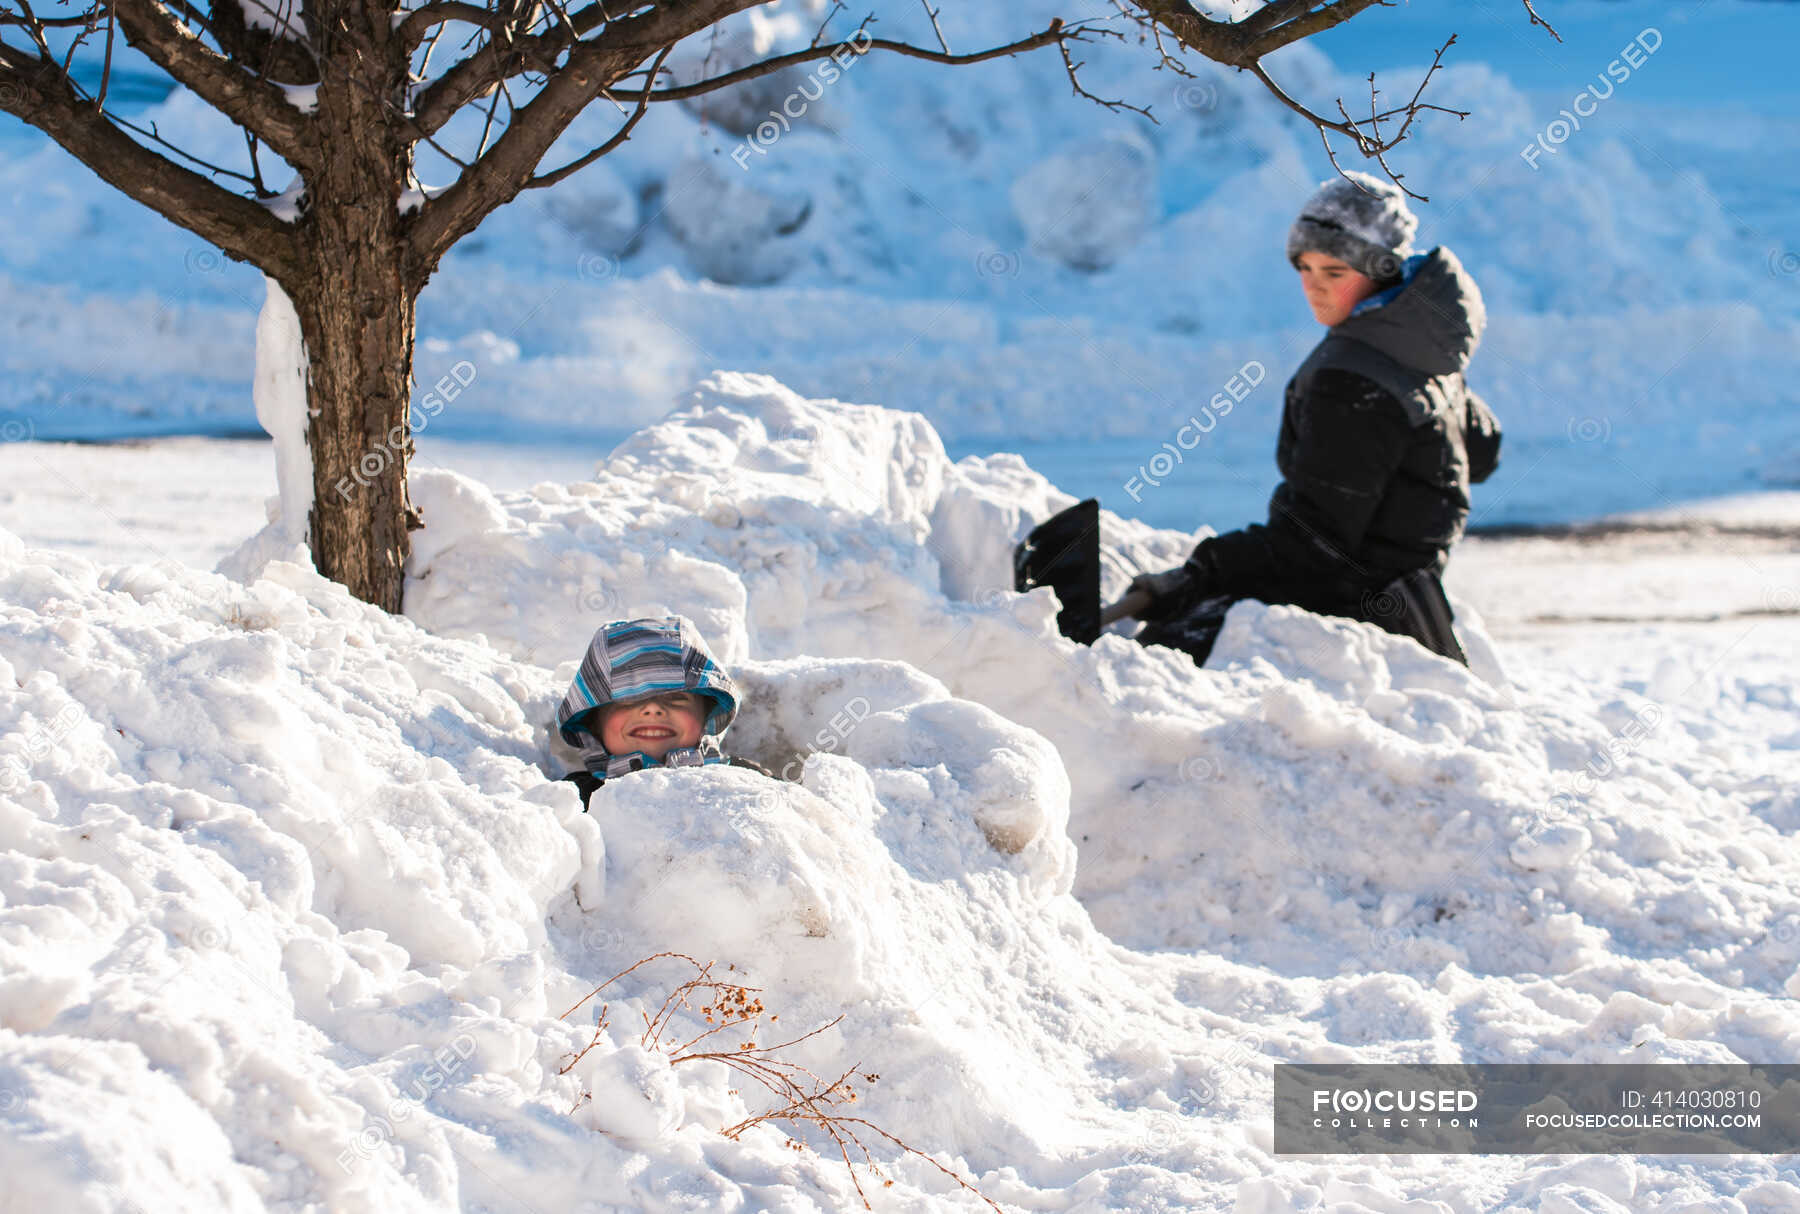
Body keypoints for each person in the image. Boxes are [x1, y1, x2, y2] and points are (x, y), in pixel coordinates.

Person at [1128, 170, 1502, 666]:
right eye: (1304, 268)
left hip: (1352, 620)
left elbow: (1312, 545)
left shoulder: (1354, 378)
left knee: (1163, 664)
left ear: (1383, 271)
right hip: (1409, 607)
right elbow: (1480, 452)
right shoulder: (1420, 347)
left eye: (1334, 272)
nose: (1313, 287)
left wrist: (1202, 572)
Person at [555, 616, 766, 809]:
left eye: (676, 697)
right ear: (594, 721)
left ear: (707, 714)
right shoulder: (574, 799)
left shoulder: (745, 780)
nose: (653, 709)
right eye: (628, 700)